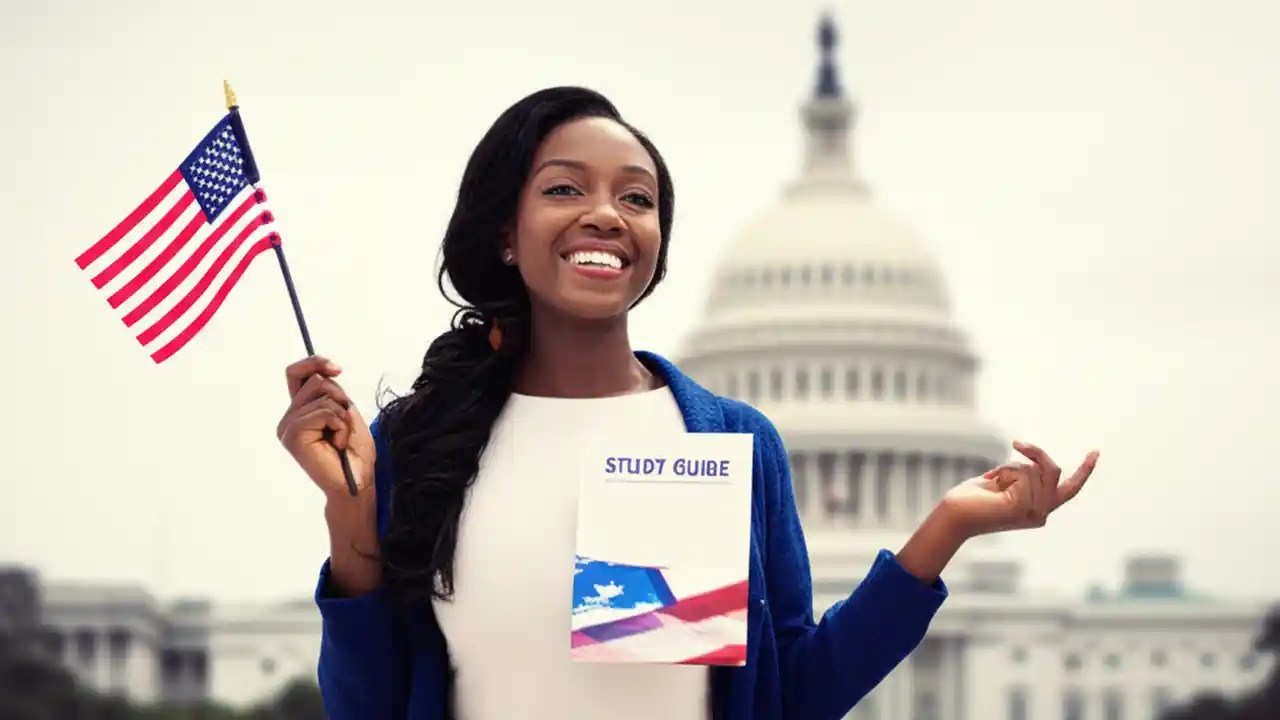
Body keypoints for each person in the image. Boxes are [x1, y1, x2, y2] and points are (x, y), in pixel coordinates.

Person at [276, 86, 1099, 720]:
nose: (607, 213)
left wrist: (944, 530)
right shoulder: (419, 442)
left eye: (637, 198)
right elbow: (369, 705)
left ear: (658, 240)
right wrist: (352, 522)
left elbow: (791, 698)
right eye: (565, 189)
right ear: (504, 231)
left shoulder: (717, 441)